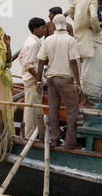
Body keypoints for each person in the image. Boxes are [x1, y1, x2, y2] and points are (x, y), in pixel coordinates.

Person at [35, 14, 82, 147]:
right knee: (72, 110)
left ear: (54, 25)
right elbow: (73, 61)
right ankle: (70, 141)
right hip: (65, 78)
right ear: (66, 25)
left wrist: (39, 81)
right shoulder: (70, 40)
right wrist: (77, 82)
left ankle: (54, 139)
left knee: (53, 109)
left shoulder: (48, 40)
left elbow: (41, 61)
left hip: (50, 78)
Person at [72, 0, 102, 102]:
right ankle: (83, 99)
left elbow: (71, 11)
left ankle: (83, 98)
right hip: (91, 39)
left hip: (80, 37)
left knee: (85, 70)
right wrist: (96, 29)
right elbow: (93, 17)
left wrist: (78, 23)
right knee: (101, 69)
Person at [17, 17, 48, 138]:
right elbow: (29, 64)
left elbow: (21, 58)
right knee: (32, 109)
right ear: (36, 29)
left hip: (30, 78)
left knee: (33, 107)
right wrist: (39, 79)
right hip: (33, 80)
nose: (45, 30)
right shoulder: (34, 43)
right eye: (43, 28)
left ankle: (34, 133)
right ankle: (30, 135)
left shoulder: (29, 41)